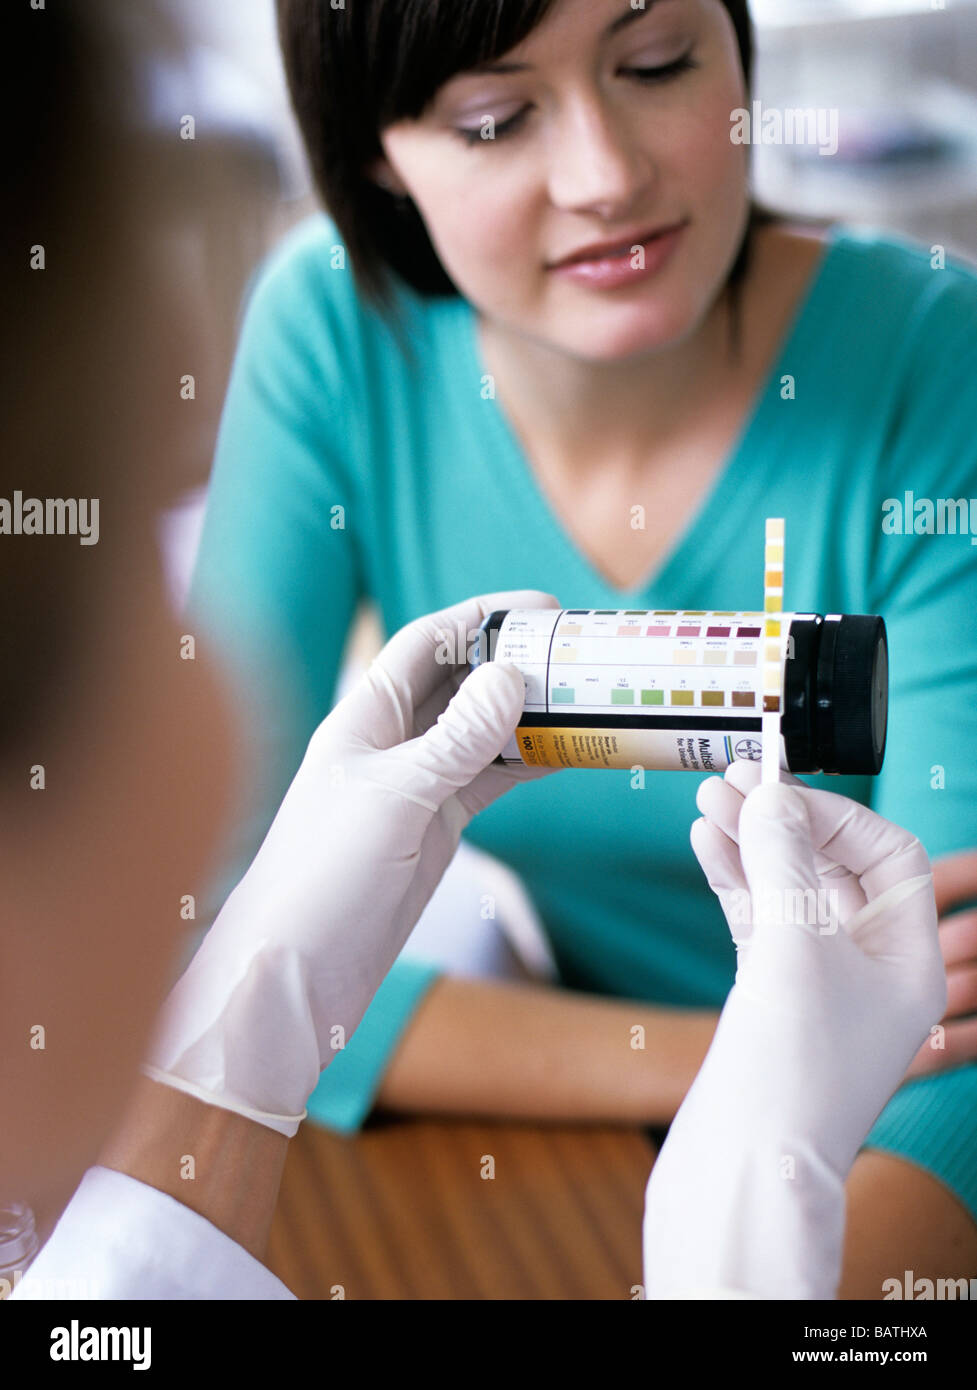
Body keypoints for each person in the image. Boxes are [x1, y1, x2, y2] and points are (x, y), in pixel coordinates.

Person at [186, 0, 977, 1294]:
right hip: (601, 1155)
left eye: (658, 62)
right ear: (377, 153)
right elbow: (203, 929)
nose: (606, 177)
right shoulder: (334, 328)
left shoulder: (933, 363)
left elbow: (959, 1063)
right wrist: (746, 1066)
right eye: (497, 119)